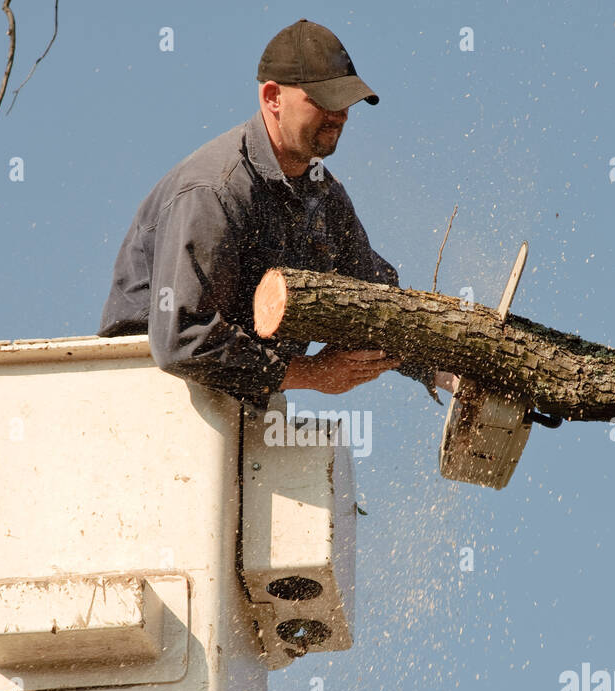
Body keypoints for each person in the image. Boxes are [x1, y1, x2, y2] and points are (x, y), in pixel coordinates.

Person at [99, 19, 450, 408]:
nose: (340, 115)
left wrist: (445, 368)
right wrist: (309, 373)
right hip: (155, 403)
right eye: (323, 101)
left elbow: (376, 301)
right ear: (272, 97)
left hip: (243, 405)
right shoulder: (215, 191)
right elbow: (182, 338)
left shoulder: (323, 196)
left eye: (346, 102)